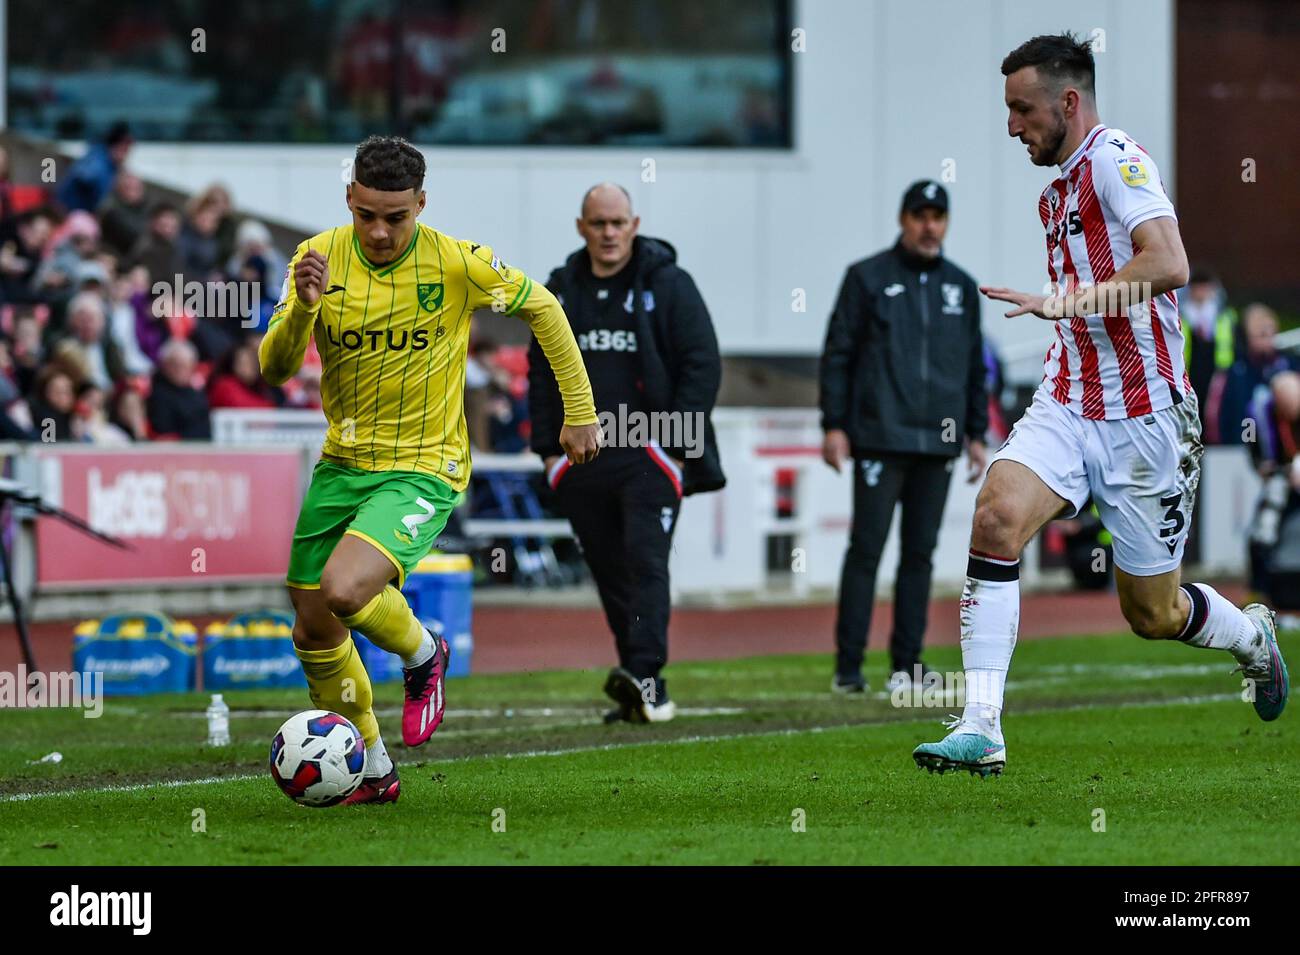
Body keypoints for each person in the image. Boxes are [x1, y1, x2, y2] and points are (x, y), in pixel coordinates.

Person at [912, 33, 1287, 777]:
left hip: (1145, 420)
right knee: (995, 516)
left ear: (1069, 102)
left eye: (1022, 109)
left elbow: (1169, 260)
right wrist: (1066, 313)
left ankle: (1251, 639)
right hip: (1067, 400)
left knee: (1154, 614)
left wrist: (1068, 301)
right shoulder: (1056, 190)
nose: (1012, 126)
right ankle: (982, 723)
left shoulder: (1117, 160)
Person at [258, 136, 599, 802]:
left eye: (396, 217)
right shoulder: (314, 259)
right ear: (349, 200)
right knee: (314, 626)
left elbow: (545, 308)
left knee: (346, 590)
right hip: (341, 464)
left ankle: (423, 653)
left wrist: (579, 410)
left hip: (423, 465)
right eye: (367, 216)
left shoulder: (457, 262)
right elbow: (272, 368)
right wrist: (301, 307)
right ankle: (375, 770)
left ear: (421, 204)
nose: (380, 231)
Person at [529, 182, 723, 724]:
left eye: (618, 223)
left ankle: (648, 678)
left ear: (634, 226)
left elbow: (702, 364)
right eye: (598, 224)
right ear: (581, 227)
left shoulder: (671, 284)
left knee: (645, 560)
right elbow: (540, 373)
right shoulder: (559, 291)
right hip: (582, 461)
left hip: (652, 455)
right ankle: (638, 680)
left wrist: (677, 449)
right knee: (611, 571)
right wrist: (550, 454)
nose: (609, 233)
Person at [820, 179, 988, 695]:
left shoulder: (962, 287)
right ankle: (849, 668)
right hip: (879, 437)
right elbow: (838, 355)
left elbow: (974, 368)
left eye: (937, 216)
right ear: (902, 219)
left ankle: (907, 666)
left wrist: (976, 434)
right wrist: (833, 424)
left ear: (947, 222)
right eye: (919, 215)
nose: (928, 225)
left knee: (921, 556)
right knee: (865, 551)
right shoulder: (866, 278)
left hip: (937, 443)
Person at [1216, 304, 1295, 446]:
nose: (1267, 340)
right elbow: (1240, 415)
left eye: (1271, 332)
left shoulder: (1289, 362)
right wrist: (1249, 447)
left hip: (1288, 440)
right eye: (1261, 335)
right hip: (1252, 440)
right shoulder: (1240, 371)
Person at [56, 121, 133, 214]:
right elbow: (86, 176)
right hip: (71, 211)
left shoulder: (107, 162)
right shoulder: (97, 160)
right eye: (124, 149)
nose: (126, 155)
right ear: (115, 145)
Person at [147, 338, 210, 439]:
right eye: (175, 365)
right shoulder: (157, 393)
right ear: (164, 365)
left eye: (184, 365)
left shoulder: (197, 391)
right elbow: (164, 431)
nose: (179, 370)